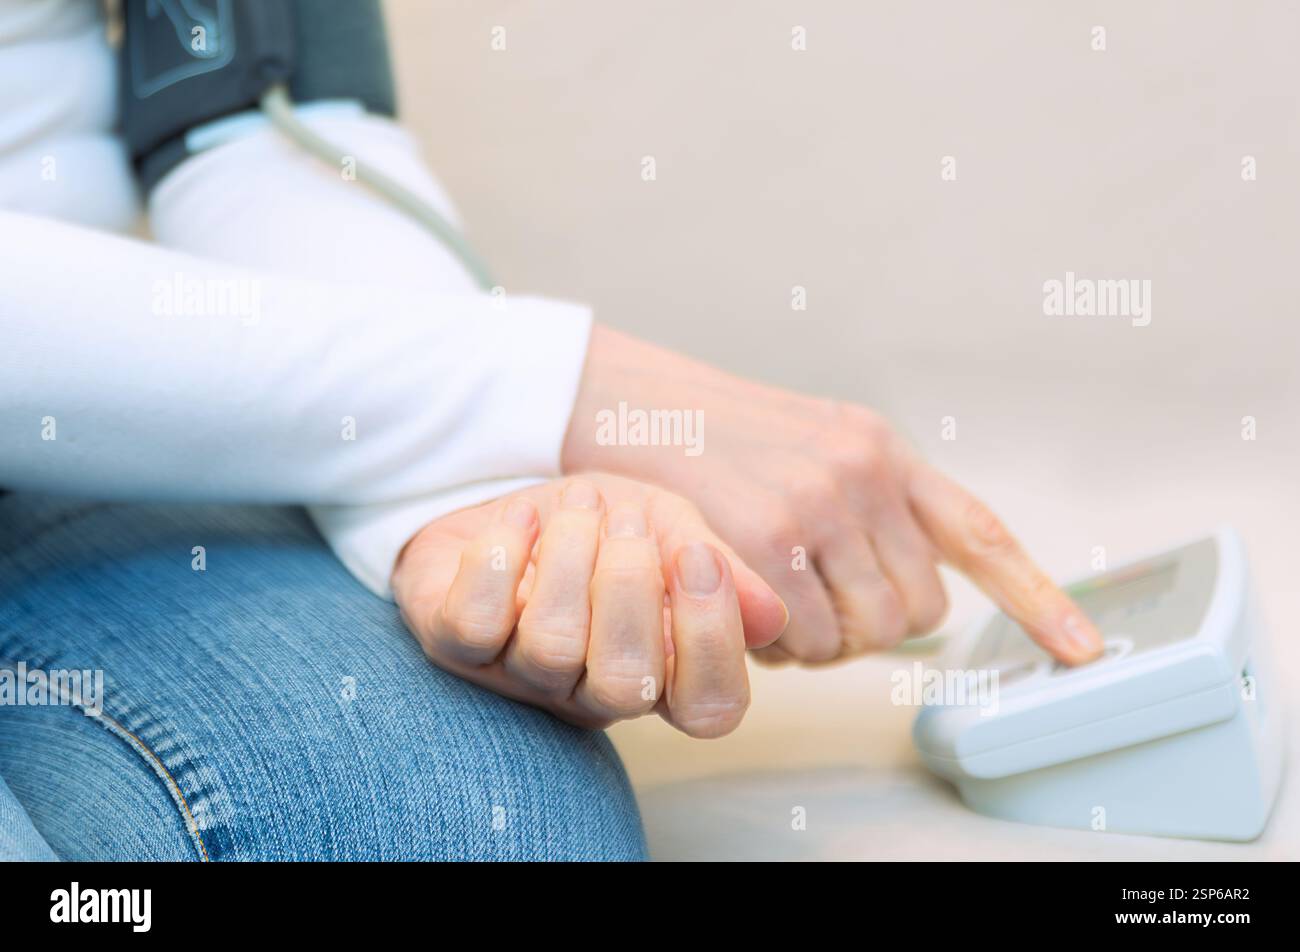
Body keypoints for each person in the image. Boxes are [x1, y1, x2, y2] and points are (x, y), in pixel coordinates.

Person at [0, 0, 1102, 861]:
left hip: (90, 448)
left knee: (483, 825)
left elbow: (256, 121)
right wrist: (545, 388)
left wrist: (448, 507)